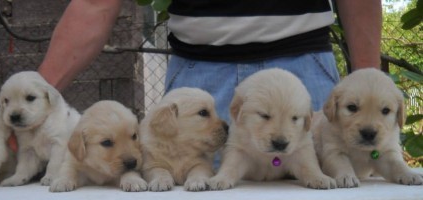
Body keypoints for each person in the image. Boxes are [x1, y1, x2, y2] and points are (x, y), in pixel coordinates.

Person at [38, 0, 382, 122]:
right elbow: (95, 4)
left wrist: (371, 92)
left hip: (304, 75)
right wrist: (35, 100)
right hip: (198, 84)